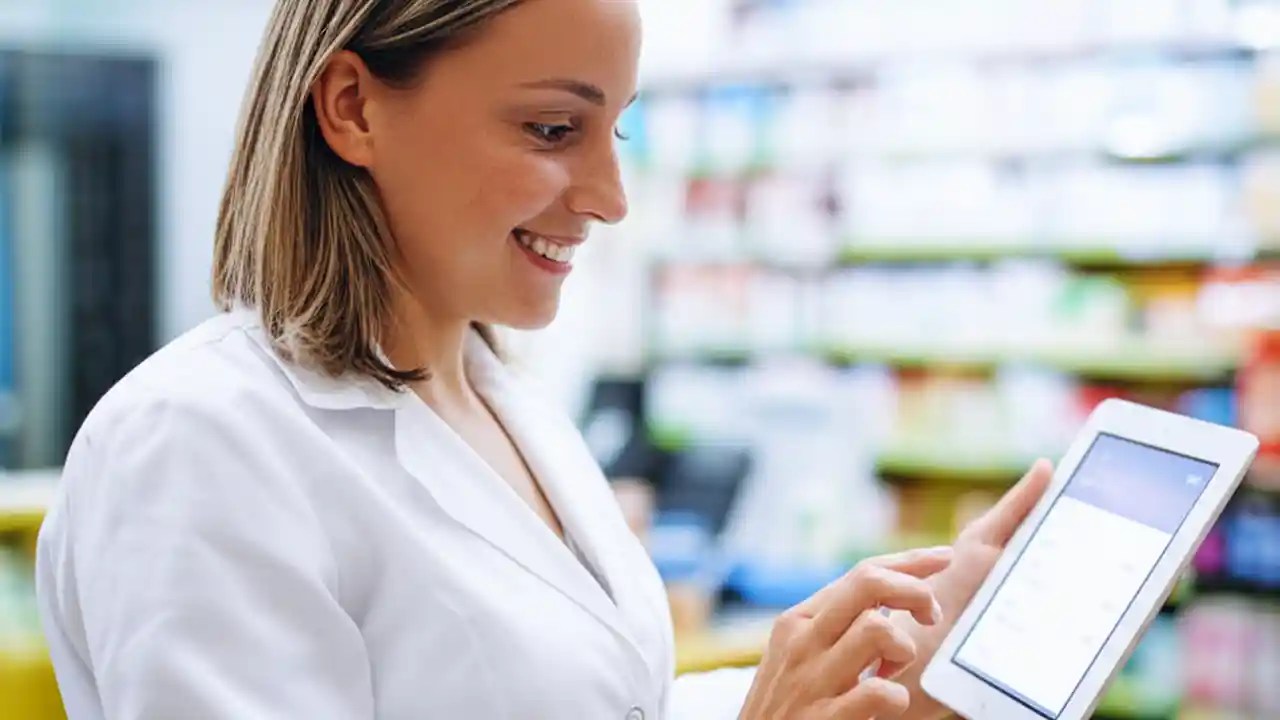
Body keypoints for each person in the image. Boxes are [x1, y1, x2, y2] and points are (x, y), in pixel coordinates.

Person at [34, 1, 1052, 718]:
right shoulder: (199, 444)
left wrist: (860, 675)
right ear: (352, 108)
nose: (610, 197)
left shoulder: (503, 402)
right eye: (554, 128)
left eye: (617, 132)